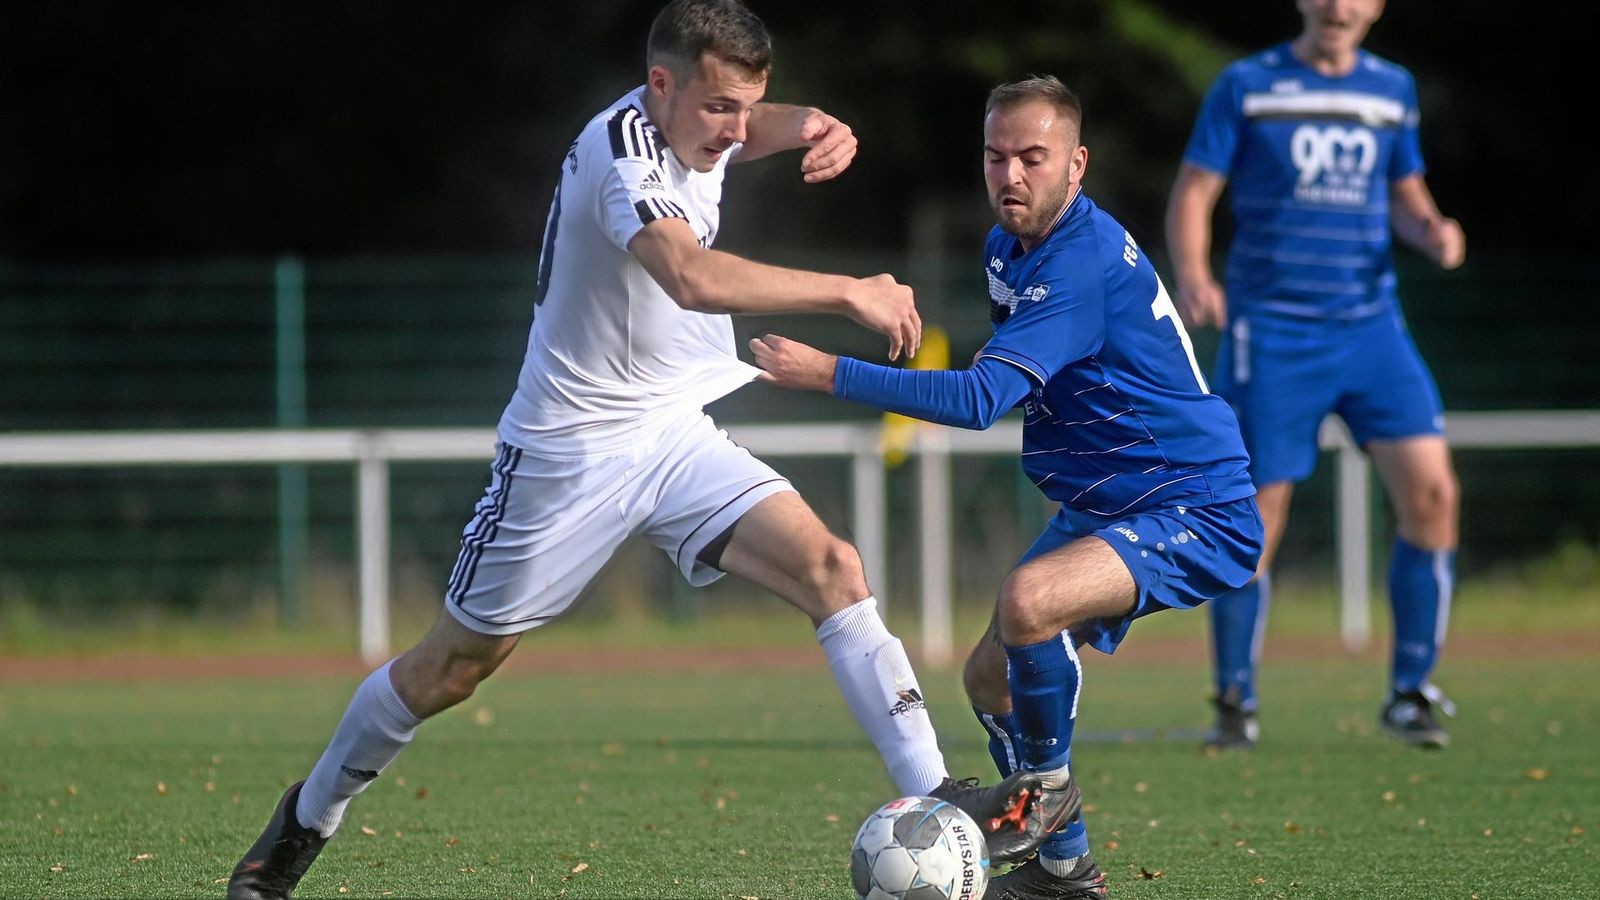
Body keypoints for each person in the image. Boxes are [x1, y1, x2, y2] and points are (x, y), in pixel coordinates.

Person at [225, 3, 1048, 898]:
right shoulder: (624, 158)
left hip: (670, 433)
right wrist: (847, 291)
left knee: (832, 567)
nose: (734, 132)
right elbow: (691, 278)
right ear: (661, 86)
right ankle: (303, 822)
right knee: (451, 668)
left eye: (747, 109)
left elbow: (755, 121)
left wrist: (808, 124)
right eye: (719, 109)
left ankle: (934, 793)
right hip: (567, 453)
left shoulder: (699, 117)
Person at [754, 75, 1264, 900]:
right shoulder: (1009, 250)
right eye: (997, 156)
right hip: (1109, 503)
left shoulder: (1080, 263)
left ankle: (1047, 794)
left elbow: (981, 398)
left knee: (1029, 601)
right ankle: (1066, 873)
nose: (1012, 175)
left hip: (1194, 504)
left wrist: (826, 373)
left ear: (1078, 164)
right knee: (987, 679)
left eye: (1035, 156)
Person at [1164, 0, 1466, 751]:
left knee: (1433, 494)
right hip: (1273, 333)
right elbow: (1196, 191)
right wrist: (1197, 276)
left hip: (1371, 328)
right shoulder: (1248, 84)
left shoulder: (1392, 89)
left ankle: (1411, 691)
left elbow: (1405, 194)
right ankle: (1235, 701)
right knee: (1257, 518)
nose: (1338, 7)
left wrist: (1432, 229)